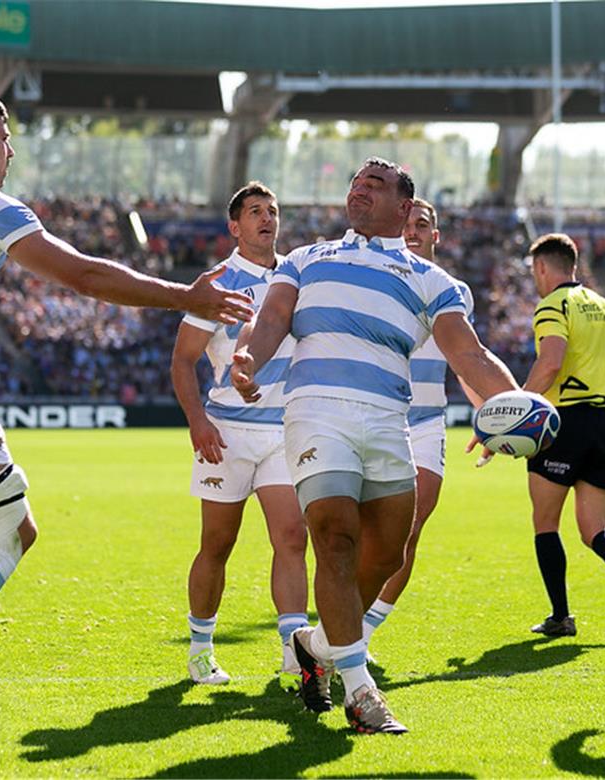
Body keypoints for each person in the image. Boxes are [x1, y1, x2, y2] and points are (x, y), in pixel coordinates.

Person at [0, 89, 251, 741]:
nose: (10, 151)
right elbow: (84, 277)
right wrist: (186, 295)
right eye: (5, 137)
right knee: (12, 527)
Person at [231, 158, 519, 734]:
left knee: (386, 555)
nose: (360, 189)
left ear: (405, 207)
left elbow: (469, 355)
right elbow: (273, 318)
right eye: (357, 182)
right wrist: (248, 358)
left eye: (376, 185)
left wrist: (519, 405)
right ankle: (361, 693)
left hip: (391, 420)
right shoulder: (305, 259)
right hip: (318, 413)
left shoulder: (432, 281)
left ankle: (315, 645)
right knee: (336, 540)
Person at [170, 182, 308, 685]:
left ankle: (295, 652)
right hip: (226, 433)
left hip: (284, 431)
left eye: (272, 210)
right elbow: (183, 361)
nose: (266, 218)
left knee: (292, 538)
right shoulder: (218, 284)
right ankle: (200, 649)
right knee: (217, 544)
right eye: (254, 211)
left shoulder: (298, 277)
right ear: (235, 226)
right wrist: (198, 422)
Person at [519, 234, 605, 643]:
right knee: (595, 528)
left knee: (546, 522)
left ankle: (561, 617)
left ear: (542, 267)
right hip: (602, 421)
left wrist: (518, 406)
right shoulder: (603, 305)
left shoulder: (552, 305)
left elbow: (550, 362)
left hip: (563, 422)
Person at [359, 197, 480, 653]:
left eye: (422, 224)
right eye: (407, 223)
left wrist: (489, 416)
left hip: (427, 423)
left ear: (436, 235)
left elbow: (464, 360)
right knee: (361, 534)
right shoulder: (374, 278)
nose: (413, 230)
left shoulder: (455, 291)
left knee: (408, 531)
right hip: (377, 416)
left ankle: (362, 632)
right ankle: (342, 624)